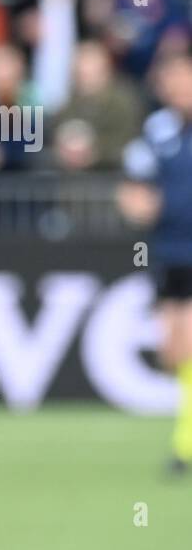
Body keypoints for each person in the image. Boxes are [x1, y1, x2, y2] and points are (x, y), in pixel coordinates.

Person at [118, 53, 192, 475]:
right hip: (170, 254)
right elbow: (135, 189)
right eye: (174, 82)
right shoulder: (156, 132)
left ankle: (183, 448)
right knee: (174, 351)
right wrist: (136, 203)